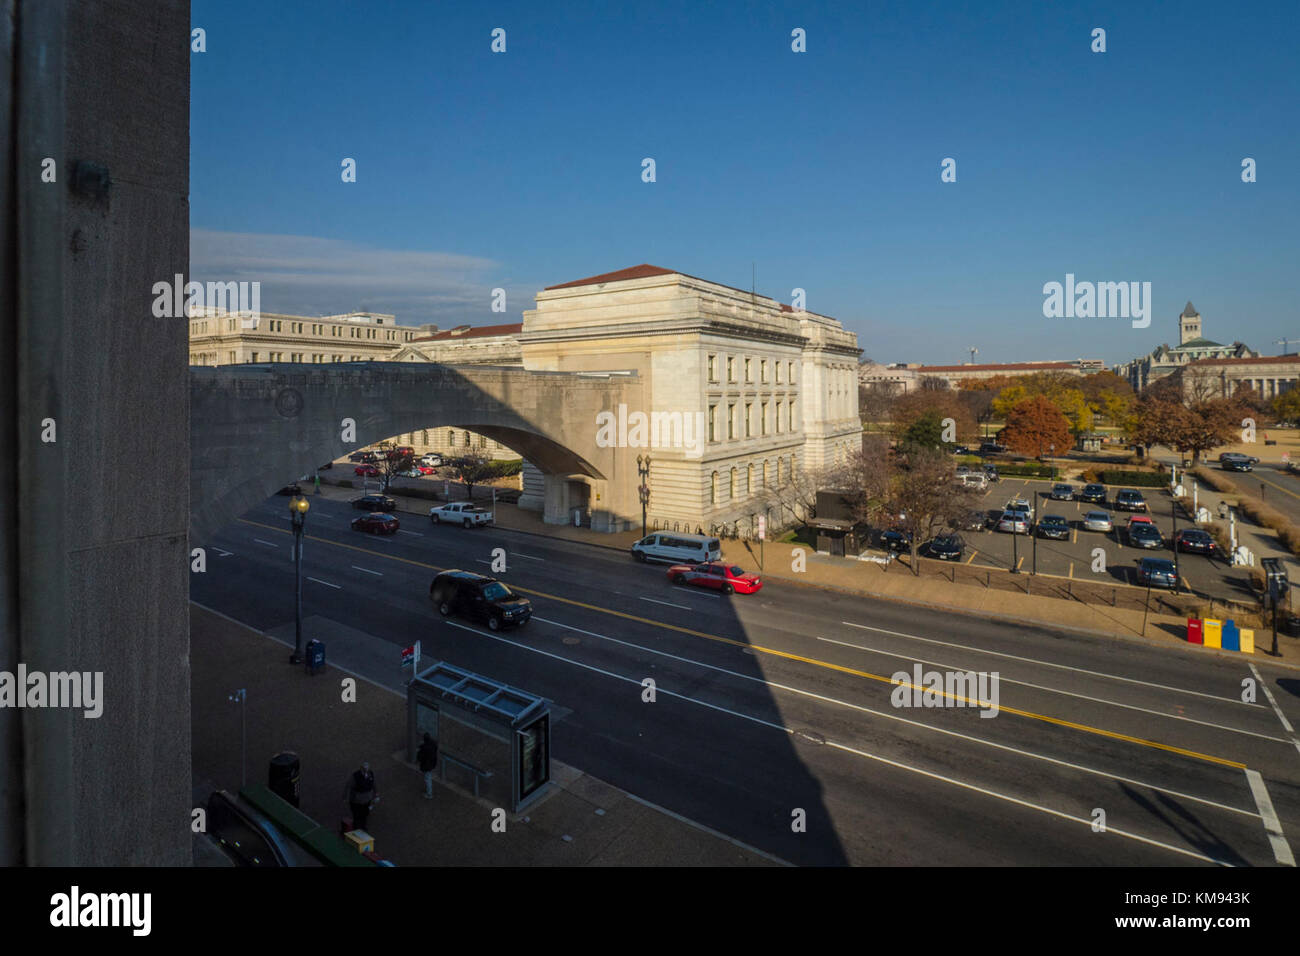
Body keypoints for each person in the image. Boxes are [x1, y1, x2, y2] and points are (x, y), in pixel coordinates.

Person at [344, 761, 378, 830]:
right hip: (356, 800)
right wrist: (345, 797)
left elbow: (374, 784)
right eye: (364, 768)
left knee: (365, 814)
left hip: (367, 799)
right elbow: (348, 786)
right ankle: (355, 828)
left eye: (367, 768)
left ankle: (363, 827)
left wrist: (376, 794)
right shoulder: (355, 776)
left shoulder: (371, 774)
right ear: (361, 768)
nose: (366, 770)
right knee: (356, 815)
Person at [417, 733, 439, 800]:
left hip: (427, 765)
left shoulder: (424, 748)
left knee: (427, 778)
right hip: (432, 763)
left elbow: (420, 757)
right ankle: (428, 791)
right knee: (428, 777)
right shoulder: (433, 744)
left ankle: (429, 794)